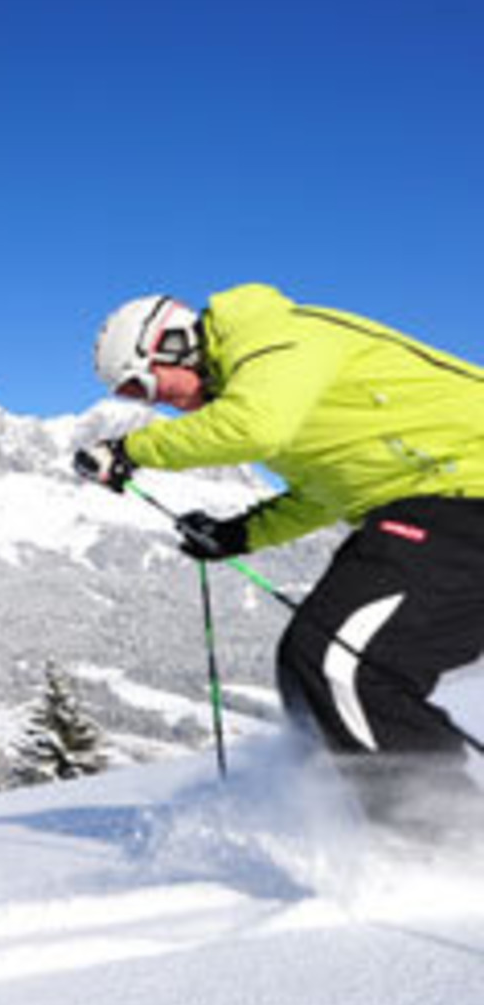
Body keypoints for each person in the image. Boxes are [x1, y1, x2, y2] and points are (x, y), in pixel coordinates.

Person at [74, 282, 484, 836]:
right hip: (443, 504)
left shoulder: (273, 339)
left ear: (171, 344)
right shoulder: (270, 383)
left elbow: (253, 427)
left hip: (462, 499)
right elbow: (319, 493)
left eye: (140, 383)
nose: (149, 400)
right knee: (309, 666)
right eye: (133, 396)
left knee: (340, 663)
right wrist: (238, 534)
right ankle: (362, 819)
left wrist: (130, 450)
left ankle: (445, 836)